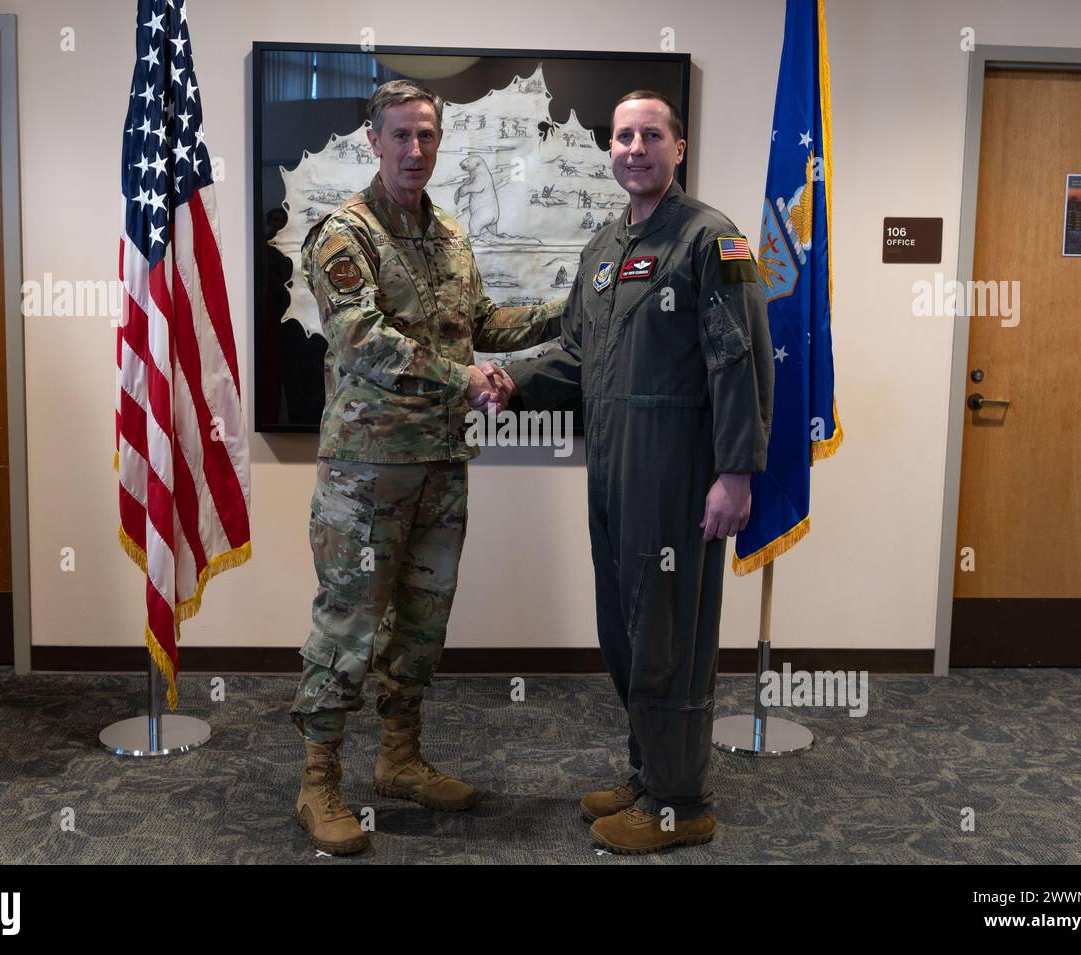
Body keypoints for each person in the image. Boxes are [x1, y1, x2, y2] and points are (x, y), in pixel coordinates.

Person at [287, 80, 563, 855]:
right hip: (368, 471)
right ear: (372, 140)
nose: (416, 150)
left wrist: (575, 307)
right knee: (348, 622)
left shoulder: (446, 231)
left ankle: (399, 757)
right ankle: (318, 782)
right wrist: (464, 378)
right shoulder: (344, 234)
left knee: (422, 621)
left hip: (442, 463)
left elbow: (478, 323)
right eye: (401, 136)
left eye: (428, 137)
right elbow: (361, 339)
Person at [500, 91, 775, 854]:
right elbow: (578, 353)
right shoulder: (606, 246)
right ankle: (648, 770)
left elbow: (738, 360)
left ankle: (681, 802)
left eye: (651, 135)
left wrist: (736, 473)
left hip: (678, 474)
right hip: (614, 470)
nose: (634, 147)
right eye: (623, 135)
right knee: (624, 630)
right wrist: (510, 380)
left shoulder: (710, 241)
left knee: (669, 634)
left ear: (677, 148)